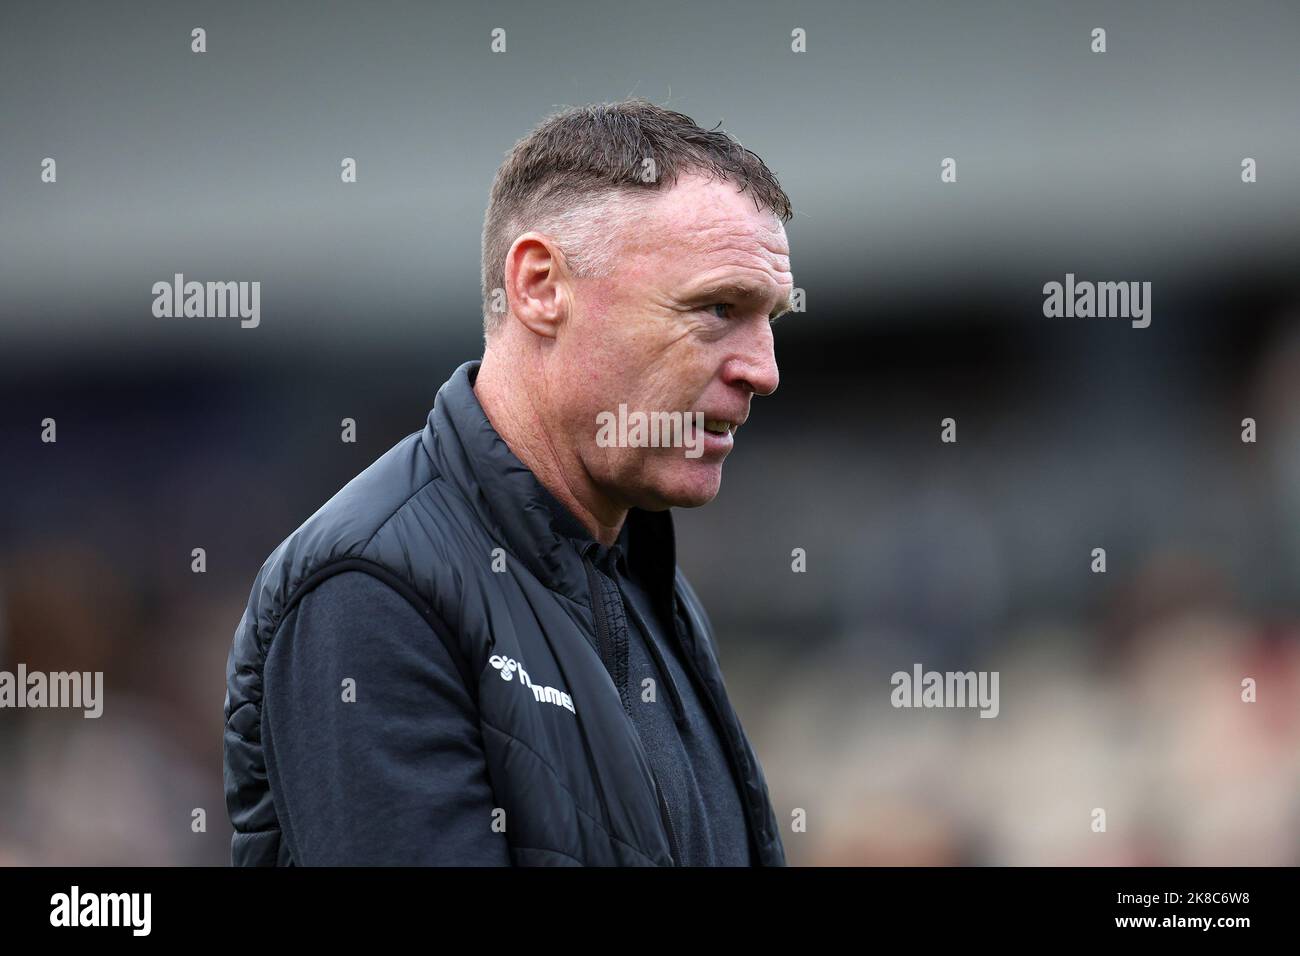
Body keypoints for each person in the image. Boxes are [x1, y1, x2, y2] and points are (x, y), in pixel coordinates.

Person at [223, 98, 795, 866]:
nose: (762, 370)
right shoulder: (368, 591)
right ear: (538, 287)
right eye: (717, 307)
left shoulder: (644, 579)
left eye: (769, 320)